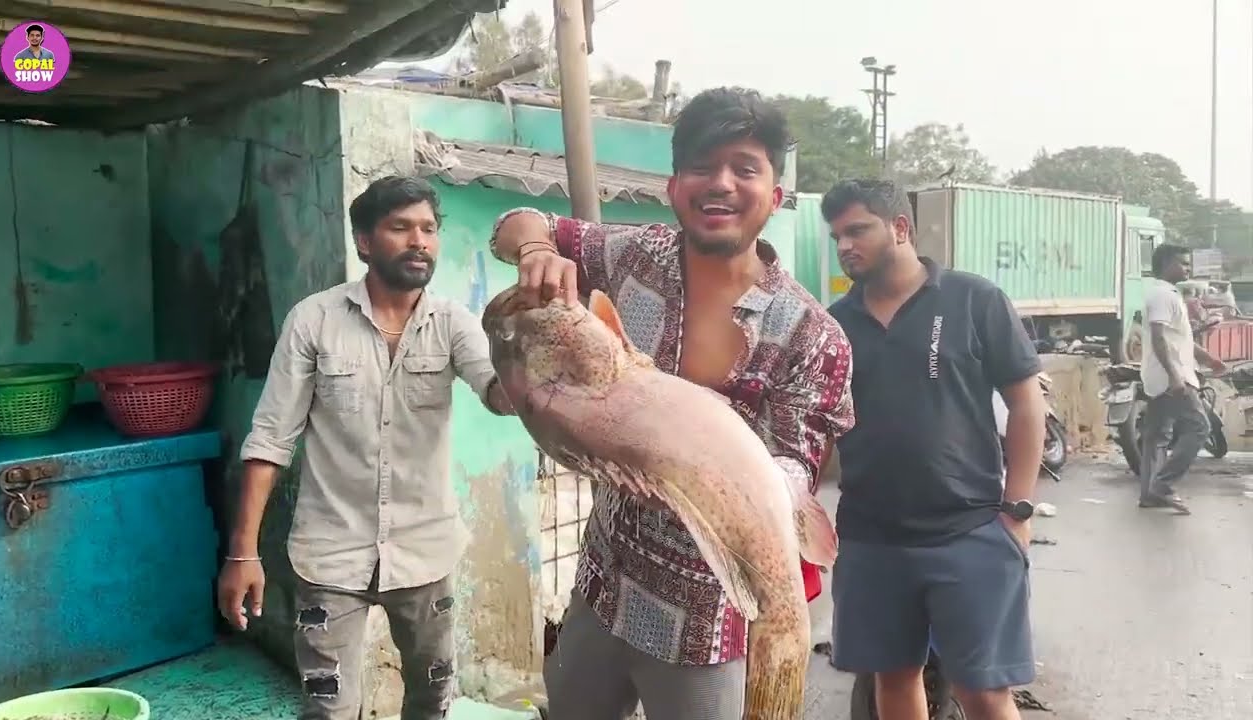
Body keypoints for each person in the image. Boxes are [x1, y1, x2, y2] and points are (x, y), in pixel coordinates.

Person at [488, 87, 854, 719]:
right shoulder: (634, 255)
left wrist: (717, 481)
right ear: (672, 184)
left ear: (777, 194)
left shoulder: (813, 334)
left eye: (745, 168)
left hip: (706, 620)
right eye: (701, 166)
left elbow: (799, 465)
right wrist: (536, 251)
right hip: (603, 581)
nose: (721, 183)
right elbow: (517, 223)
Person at [217, 176, 514, 720]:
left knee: (431, 701)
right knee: (329, 710)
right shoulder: (315, 320)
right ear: (364, 242)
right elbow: (270, 440)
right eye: (400, 227)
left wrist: (539, 364)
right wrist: (243, 552)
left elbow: (497, 391)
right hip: (331, 555)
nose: (418, 241)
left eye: (428, 228)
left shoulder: (452, 323)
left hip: (425, 553)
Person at [821, 179, 1046, 720]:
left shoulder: (974, 299)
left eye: (858, 230)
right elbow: (819, 427)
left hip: (968, 532)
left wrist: (1017, 509)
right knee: (893, 680)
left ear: (900, 228)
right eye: (837, 236)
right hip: (871, 539)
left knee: (984, 691)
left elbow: (1026, 405)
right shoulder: (835, 323)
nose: (845, 245)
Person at [1138, 243, 1226, 514]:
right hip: (1172, 377)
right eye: (1182, 263)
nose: (1187, 268)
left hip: (1163, 375)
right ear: (1165, 264)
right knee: (1199, 427)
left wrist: (1208, 359)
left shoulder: (1168, 295)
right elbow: (1159, 338)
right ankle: (1163, 486)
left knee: (1156, 436)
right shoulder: (1163, 296)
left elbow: (1179, 339)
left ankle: (1150, 493)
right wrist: (1176, 376)